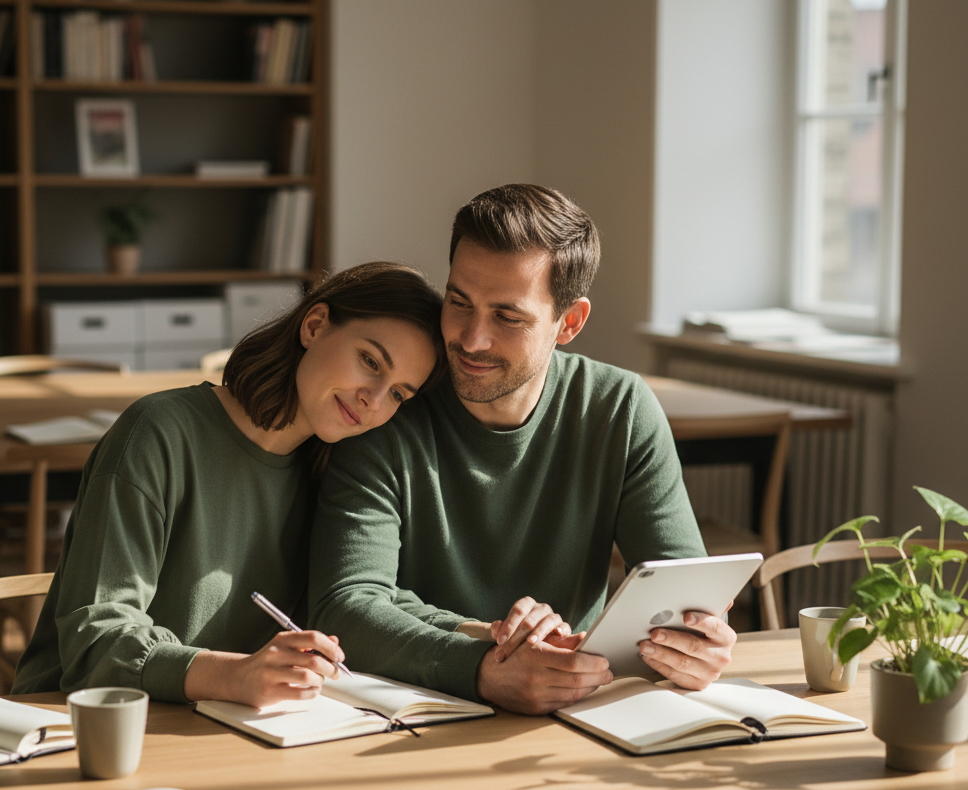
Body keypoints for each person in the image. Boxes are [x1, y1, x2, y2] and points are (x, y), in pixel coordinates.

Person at [308, 184, 736, 715]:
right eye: (459, 302)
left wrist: (694, 646)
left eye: (507, 317)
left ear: (570, 323)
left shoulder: (620, 407)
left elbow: (680, 589)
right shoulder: (390, 403)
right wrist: (481, 668)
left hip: (576, 707)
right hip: (417, 707)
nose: (471, 339)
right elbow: (345, 606)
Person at [12, 262, 445, 707]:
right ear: (314, 325)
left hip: (224, 730)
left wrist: (482, 635)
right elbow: (95, 643)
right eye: (370, 362)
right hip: (76, 726)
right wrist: (235, 675)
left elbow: (375, 594)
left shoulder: (332, 475)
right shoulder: (158, 434)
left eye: (398, 393)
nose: (373, 400)